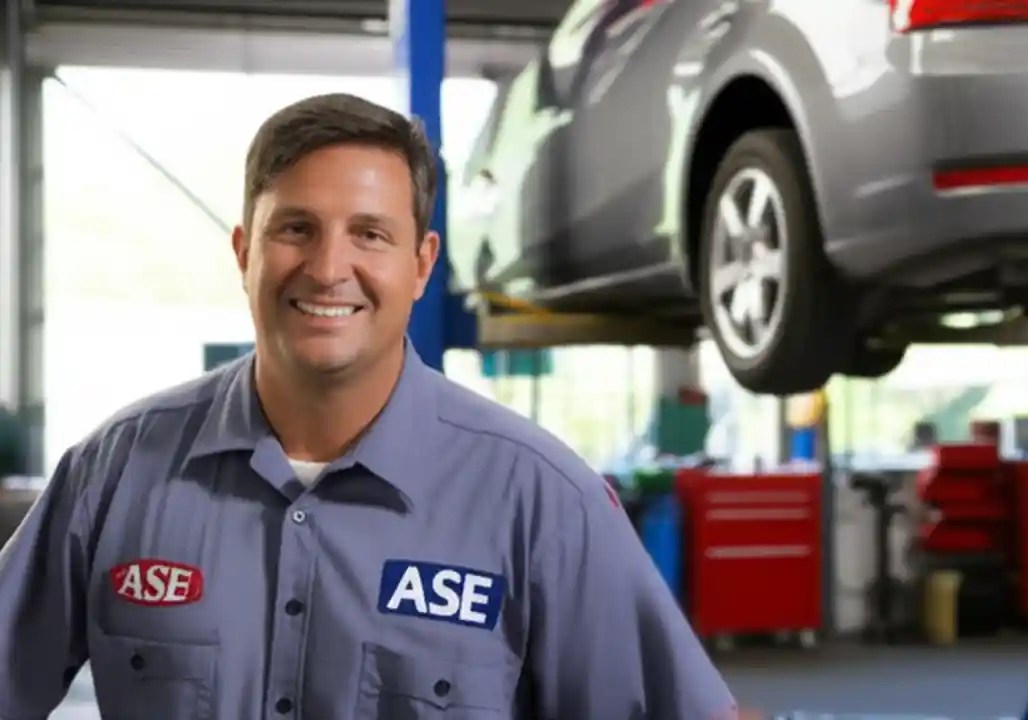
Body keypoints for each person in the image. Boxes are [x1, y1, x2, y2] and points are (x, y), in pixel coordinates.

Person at [0, 93, 740, 719]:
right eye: (295, 229)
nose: (327, 269)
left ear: (421, 264)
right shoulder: (114, 476)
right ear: (242, 252)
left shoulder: (542, 502)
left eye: (369, 234)